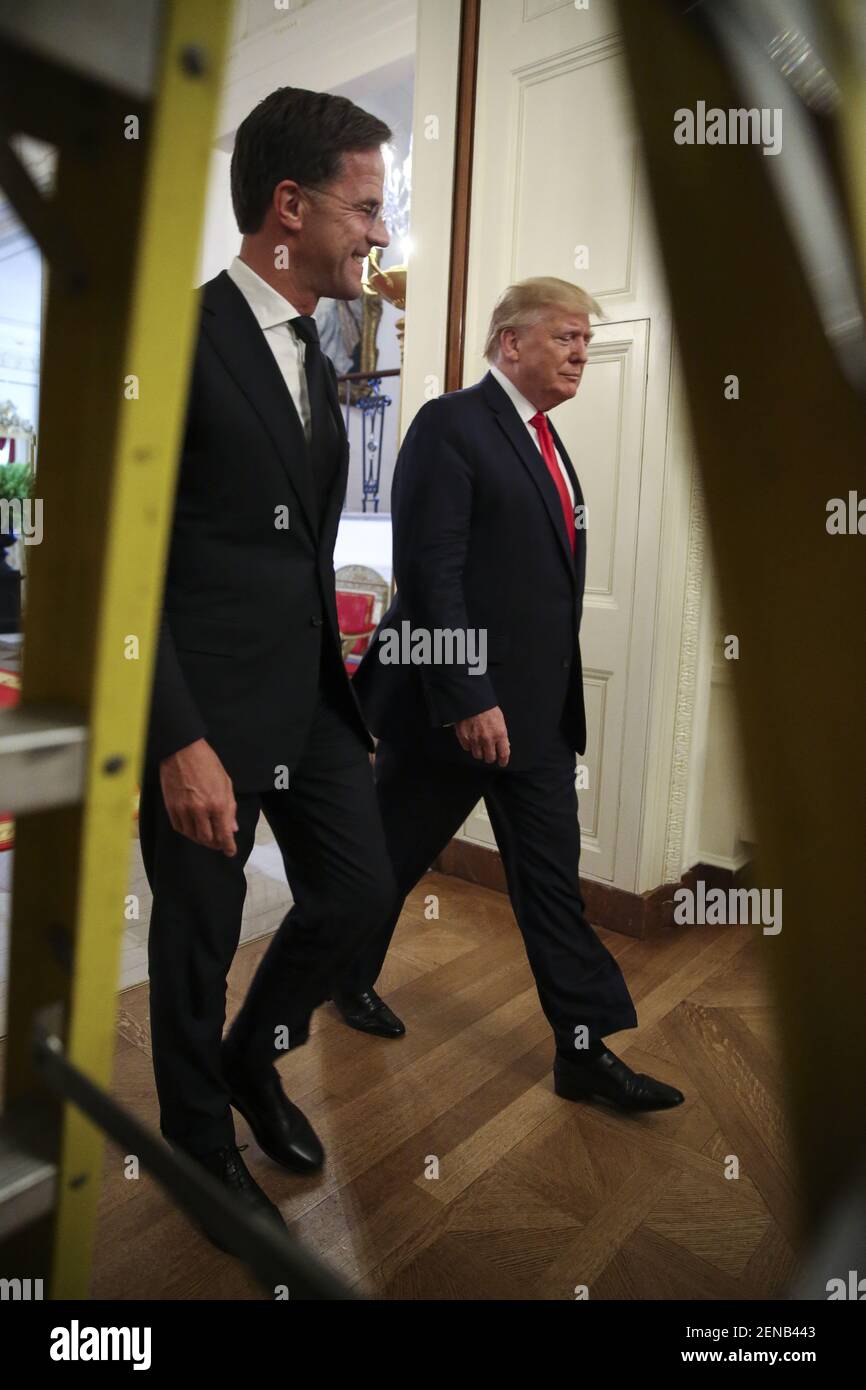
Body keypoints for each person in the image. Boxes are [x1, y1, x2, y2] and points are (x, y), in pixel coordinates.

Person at [140, 87, 397, 1247]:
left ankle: (258, 1051)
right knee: (196, 943)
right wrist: (177, 735)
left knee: (356, 891)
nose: (380, 235)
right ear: (288, 207)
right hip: (203, 717)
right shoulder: (169, 341)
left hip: (311, 709)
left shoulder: (323, 353)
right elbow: (121, 571)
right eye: (365, 208)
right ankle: (198, 1148)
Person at [335, 277, 684, 1115]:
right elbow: (430, 574)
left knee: (552, 884)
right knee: (387, 861)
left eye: (585, 342)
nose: (578, 354)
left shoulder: (546, 442)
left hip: (534, 721)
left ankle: (582, 1052)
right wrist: (466, 697)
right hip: (449, 715)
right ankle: (340, 975)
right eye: (564, 337)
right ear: (509, 342)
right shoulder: (451, 424)